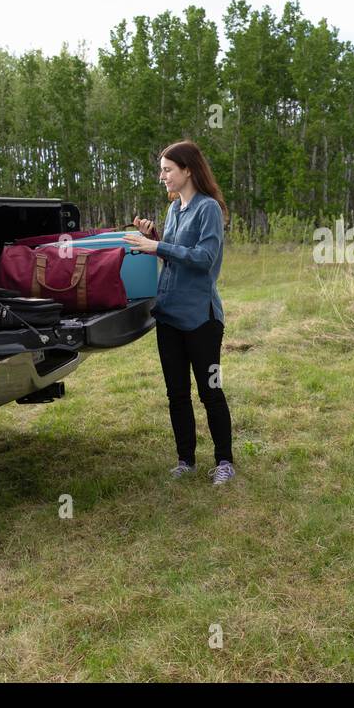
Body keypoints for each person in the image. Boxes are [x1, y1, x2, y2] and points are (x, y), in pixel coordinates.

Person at [125, 141, 235, 484]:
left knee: (210, 391)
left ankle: (224, 462)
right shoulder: (175, 210)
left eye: (168, 169)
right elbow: (173, 256)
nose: (163, 176)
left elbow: (203, 258)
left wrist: (157, 245)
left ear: (188, 170)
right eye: (161, 170)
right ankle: (185, 460)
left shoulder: (209, 210)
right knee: (176, 393)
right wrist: (154, 237)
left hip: (201, 319)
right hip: (169, 314)